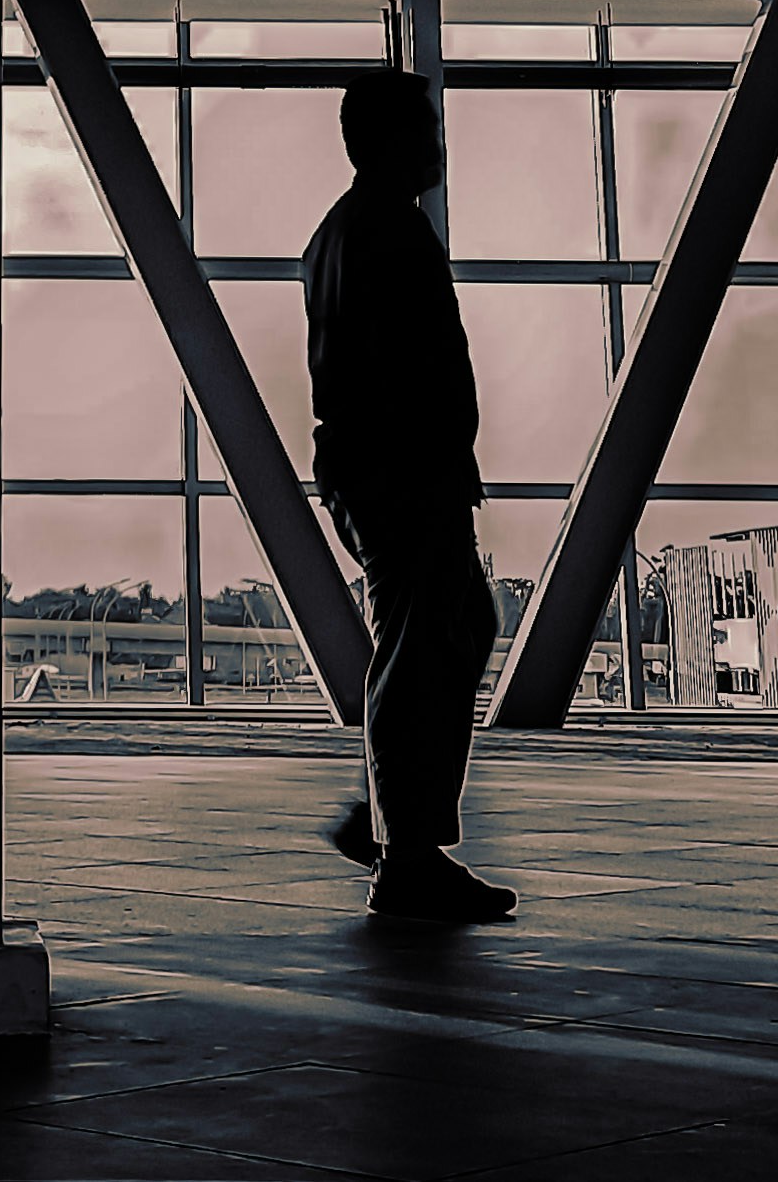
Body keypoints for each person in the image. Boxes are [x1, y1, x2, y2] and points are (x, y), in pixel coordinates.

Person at [303, 73, 516, 923]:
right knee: (422, 647)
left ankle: (389, 815)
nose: (440, 144)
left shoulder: (349, 230)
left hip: (389, 471)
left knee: (459, 631)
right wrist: (432, 469)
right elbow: (405, 372)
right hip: (403, 475)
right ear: (389, 139)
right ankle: (407, 856)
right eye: (428, 128)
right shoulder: (387, 230)